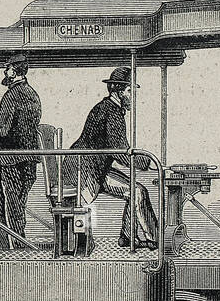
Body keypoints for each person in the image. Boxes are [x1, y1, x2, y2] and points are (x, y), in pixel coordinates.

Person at [65, 66, 160, 250]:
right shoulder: (111, 112)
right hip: (84, 171)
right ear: (118, 90)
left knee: (136, 191)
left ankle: (128, 237)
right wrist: (149, 163)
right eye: (130, 91)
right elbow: (120, 152)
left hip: (94, 168)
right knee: (138, 192)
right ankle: (154, 240)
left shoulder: (107, 108)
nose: (133, 96)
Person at [0, 53, 42, 248]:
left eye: (8, 67)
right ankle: (5, 245)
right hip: (28, 159)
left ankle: (15, 247)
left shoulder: (12, 95)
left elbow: (1, 128)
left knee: (12, 208)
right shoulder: (32, 93)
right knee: (3, 208)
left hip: (12, 161)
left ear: (15, 70)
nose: (5, 70)